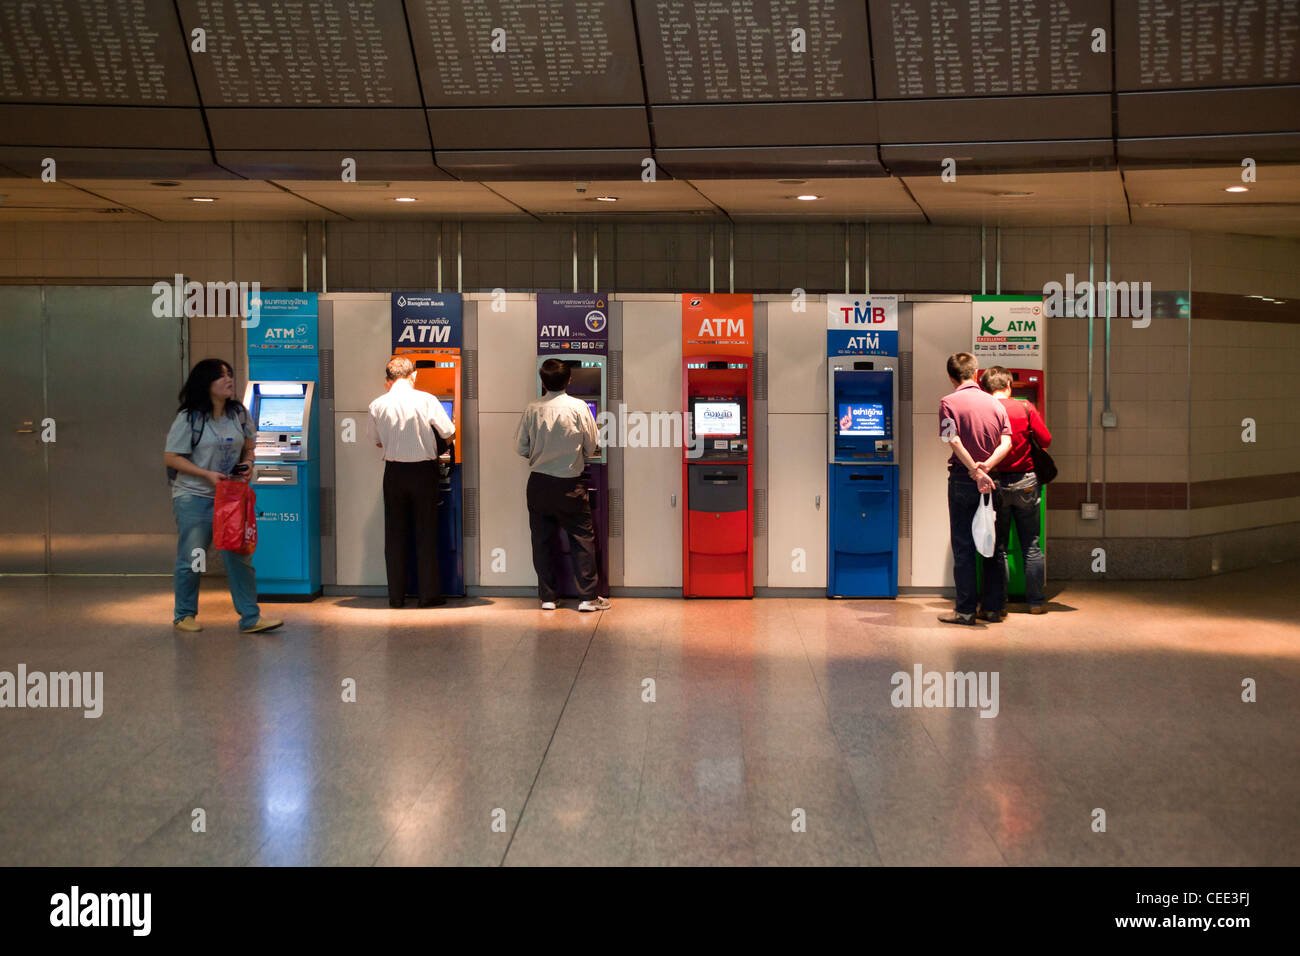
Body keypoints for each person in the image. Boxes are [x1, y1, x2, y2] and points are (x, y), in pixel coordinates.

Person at [163, 358, 281, 634]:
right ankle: (184, 615)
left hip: (230, 497)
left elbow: (250, 447)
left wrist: (249, 463)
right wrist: (206, 474)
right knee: (193, 557)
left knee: (239, 556)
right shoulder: (189, 417)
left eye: (229, 375)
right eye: (221, 377)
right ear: (206, 384)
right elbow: (171, 457)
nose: (229, 380)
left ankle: (250, 617)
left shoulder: (238, 413)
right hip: (194, 496)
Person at [514, 359, 610, 612]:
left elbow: (521, 447)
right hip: (570, 483)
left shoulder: (532, 408)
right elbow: (592, 445)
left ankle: (548, 597)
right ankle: (588, 598)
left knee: (542, 541)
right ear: (569, 380)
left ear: (542, 382)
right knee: (581, 539)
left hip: (539, 483)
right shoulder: (579, 407)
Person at [368, 357, 455, 609]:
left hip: (393, 473)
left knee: (394, 536)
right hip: (423, 472)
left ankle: (396, 597)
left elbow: (376, 441)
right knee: (425, 533)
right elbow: (449, 432)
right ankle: (428, 595)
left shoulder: (377, 404)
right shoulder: (427, 400)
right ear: (413, 376)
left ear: (388, 381)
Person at [937, 352, 1011, 626]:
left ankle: (966, 611)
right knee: (992, 544)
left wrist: (974, 470)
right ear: (977, 373)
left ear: (951, 376)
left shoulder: (948, 402)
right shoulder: (995, 403)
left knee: (964, 546)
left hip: (963, 479)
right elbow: (1007, 443)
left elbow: (952, 439)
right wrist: (987, 468)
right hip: (994, 480)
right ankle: (992, 609)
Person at [979, 366, 1053, 617]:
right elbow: (1045, 440)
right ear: (1009, 386)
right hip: (1026, 483)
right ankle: (1036, 602)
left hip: (996, 483)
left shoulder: (984, 409)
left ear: (984, 389)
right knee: (1031, 545)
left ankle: (997, 607)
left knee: (998, 547)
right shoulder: (1025, 407)